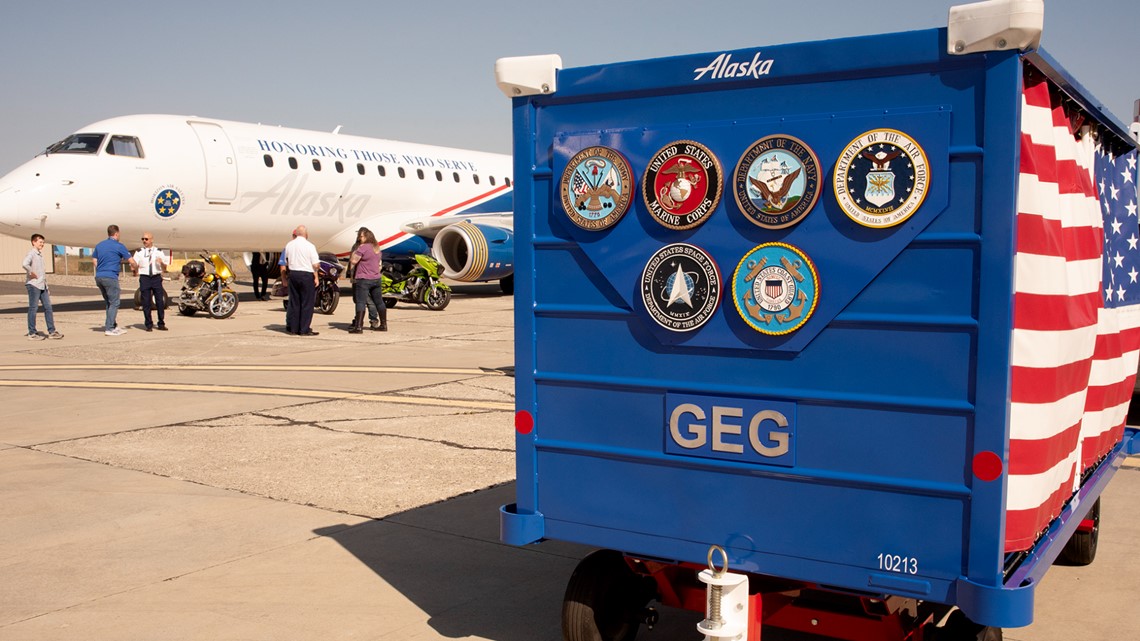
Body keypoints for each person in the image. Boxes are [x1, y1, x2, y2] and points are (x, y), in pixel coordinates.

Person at [92, 224, 136, 336]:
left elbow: (94, 260)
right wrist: (136, 267)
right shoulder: (119, 246)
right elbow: (131, 260)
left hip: (99, 276)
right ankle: (110, 328)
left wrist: (101, 269)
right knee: (115, 303)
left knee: (109, 303)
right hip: (110, 277)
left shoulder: (99, 245)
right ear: (116, 233)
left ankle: (113, 325)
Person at [22, 234, 64, 340]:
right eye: (40, 242)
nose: (42, 244)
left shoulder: (40, 255)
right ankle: (32, 333)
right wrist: (31, 272)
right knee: (33, 308)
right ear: (33, 242)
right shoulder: (31, 253)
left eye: (43, 242)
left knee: (48, 308)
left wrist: (47, 287)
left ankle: (52, 331)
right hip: (33, 285)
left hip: (42, 285)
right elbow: (24, 264)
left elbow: (42, 274)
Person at [282, 225, 321, 336]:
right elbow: (315, 264)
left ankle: (294, 329)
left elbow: (286, 261)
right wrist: (317, 268)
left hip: (293, 274)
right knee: (307, 303)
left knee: (294, 302)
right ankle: (304, 329)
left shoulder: (289, 245)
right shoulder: (310, 246)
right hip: (306, 275)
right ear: (306, 234)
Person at [348, 228, 387, 333]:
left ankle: (358, 327)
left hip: (364, 279)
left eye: (361, 236)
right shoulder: (376, 247)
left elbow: (353, 260)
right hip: (376, 278)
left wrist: (355, 251)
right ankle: (383, 325)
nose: (359, 238)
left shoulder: (363, 247)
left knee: (360, 302)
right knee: (379, 301)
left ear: (366, 237)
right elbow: (378, 264)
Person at [132, 233, 168, 331]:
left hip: (156, 277)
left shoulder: (159, 251)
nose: (144, 241)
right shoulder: (139, 252)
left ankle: (161, 323)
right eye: (143, 239)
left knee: (159, 301)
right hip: (145, 278)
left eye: (146, 239)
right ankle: (148, 324)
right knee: (146, 302)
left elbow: (165, 268)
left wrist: (162, 263)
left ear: (151, 240)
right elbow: (134, 265)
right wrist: (134, 267)